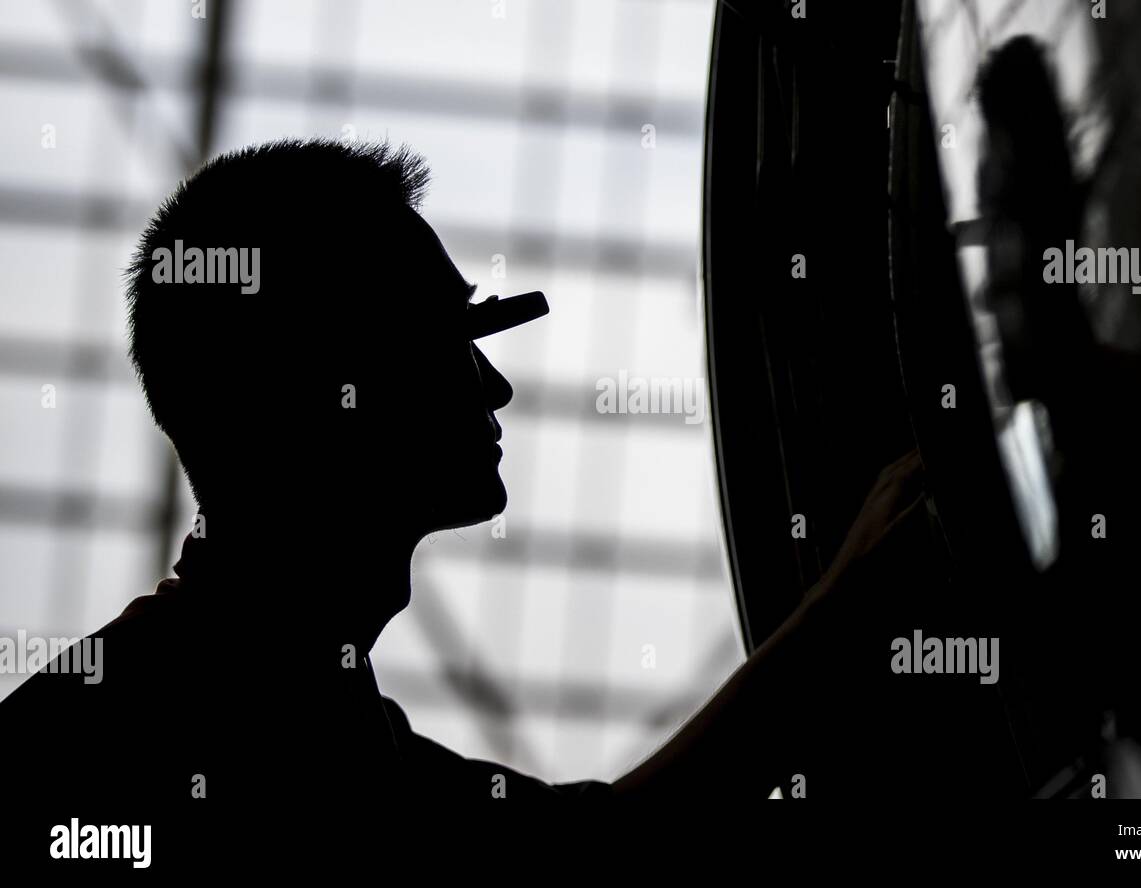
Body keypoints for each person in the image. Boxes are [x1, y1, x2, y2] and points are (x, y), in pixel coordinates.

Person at [0, 140, 924, 830]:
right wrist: (842, 614)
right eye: (452, 343)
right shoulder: (239, 736)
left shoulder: (179, 711)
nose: (495, 384)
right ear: (329, 389)